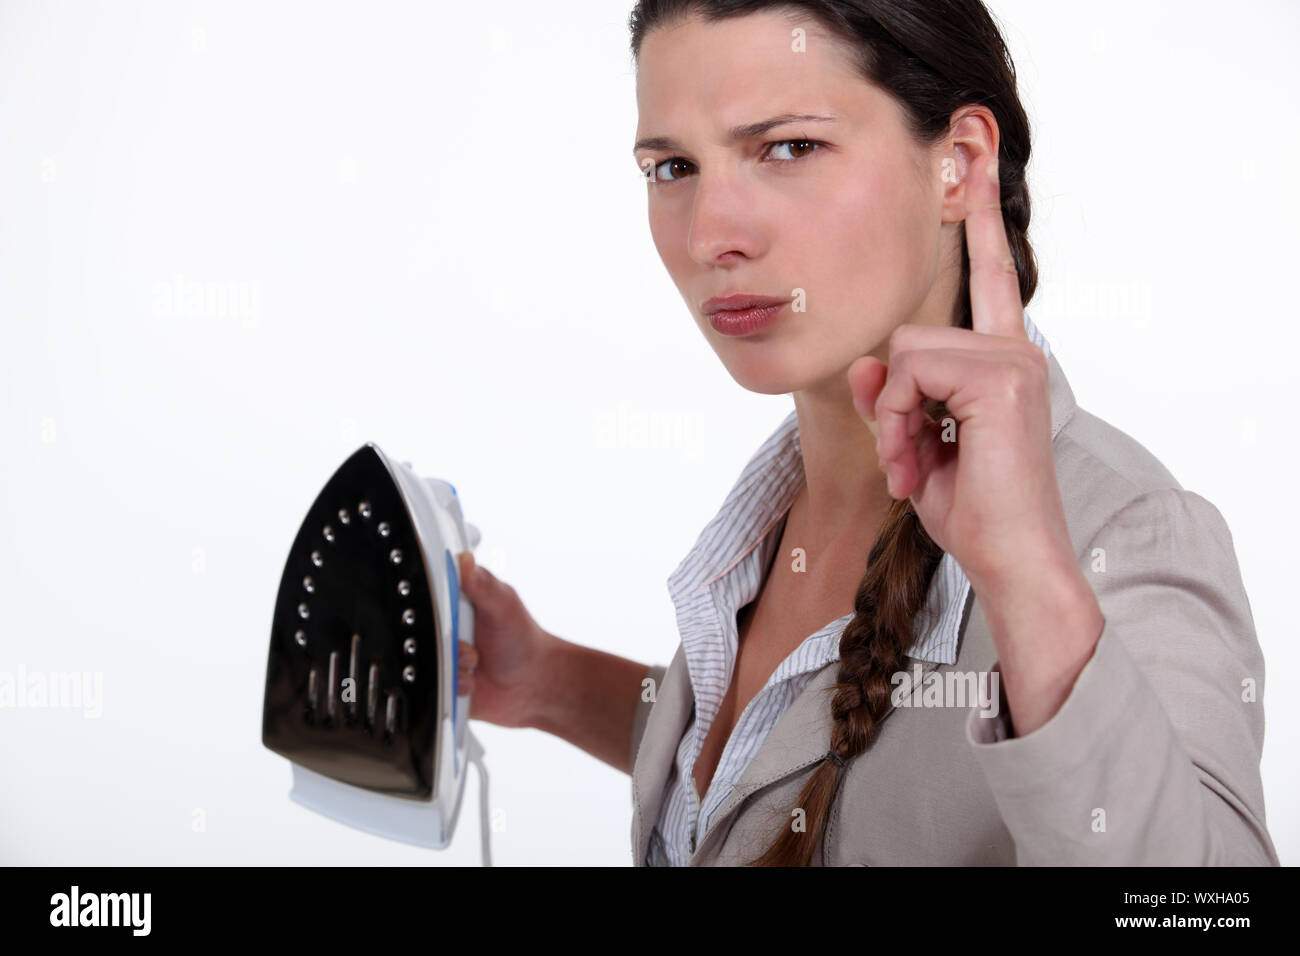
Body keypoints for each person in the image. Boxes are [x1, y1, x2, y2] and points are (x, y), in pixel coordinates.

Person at [451, 0, 1279, 866]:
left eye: (790, 148)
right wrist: (546, 680)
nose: (710, 236)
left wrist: (1027, 576)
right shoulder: (780, 511)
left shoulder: (1121, 535)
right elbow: (782, 772)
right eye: (673, 168)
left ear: (959, 165)